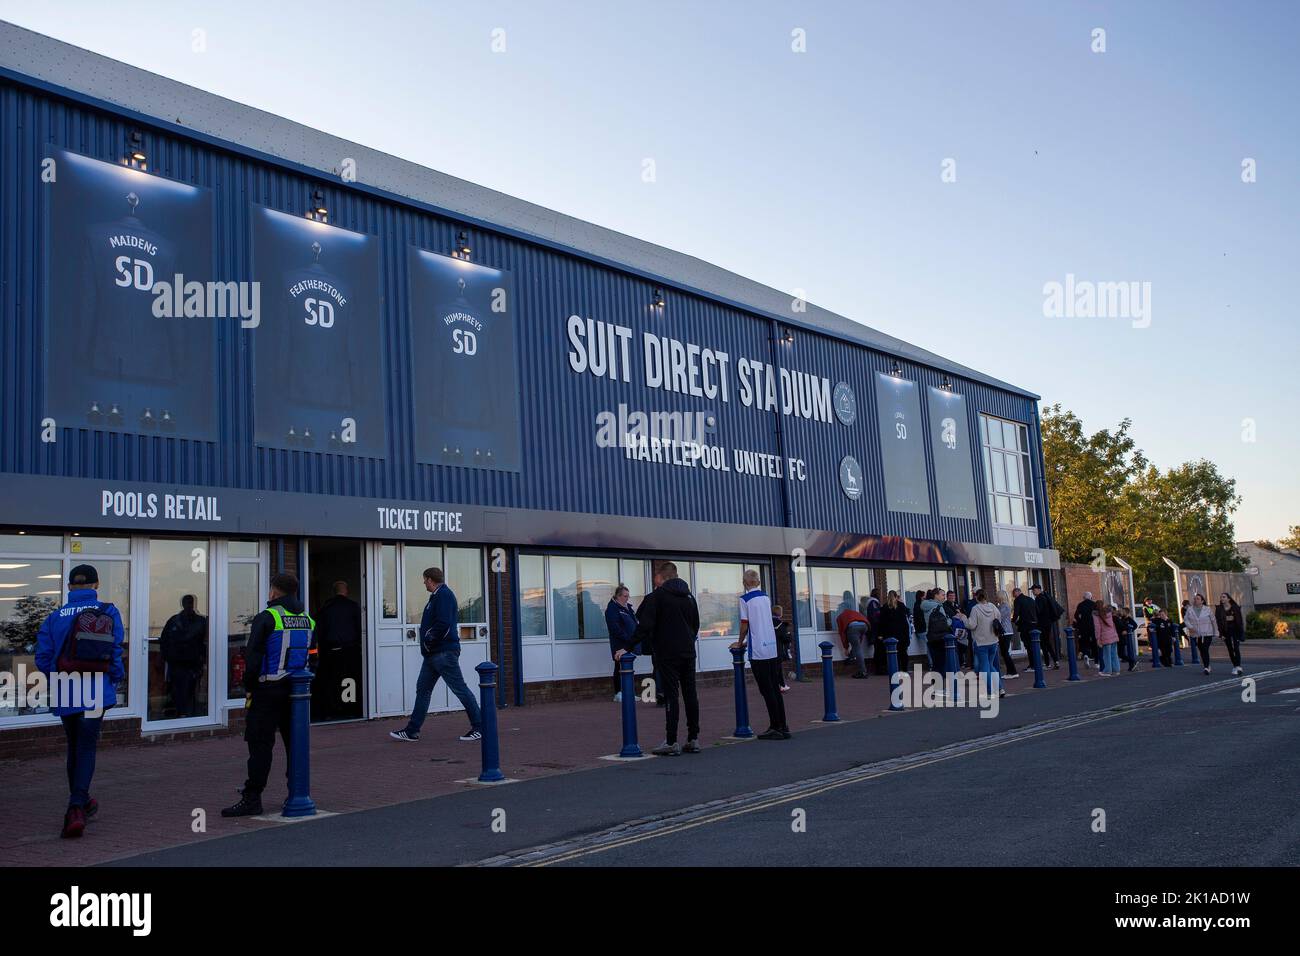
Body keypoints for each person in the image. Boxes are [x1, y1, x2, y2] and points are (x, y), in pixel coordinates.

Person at [34, 564, 125, 838]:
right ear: (96, 585)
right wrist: (114, 679)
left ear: (70, 587)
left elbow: (43, 658)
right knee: (86, 746)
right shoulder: (108, 611)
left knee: (74, 746)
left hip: (66, 689)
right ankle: (76, 807)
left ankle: (82, 802)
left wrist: (59, 676)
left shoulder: (55, 616)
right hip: (95, 690)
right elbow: (115, 651)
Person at [223, 572, 316, 817]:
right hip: (297, 693)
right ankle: (296, 792)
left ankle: (252, 798)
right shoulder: (308, 618)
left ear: (274, 591)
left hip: (267, 690)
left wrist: (249, 686)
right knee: (294, 745)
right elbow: (314, 655)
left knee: (260, 745)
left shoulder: (267, 617)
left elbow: (252, 657)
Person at [389, 567, 482, 743]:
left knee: (459, 689)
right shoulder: (436, 596)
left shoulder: (444, 595)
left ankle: (479, 727)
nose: (424, 583)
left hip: (443, 652)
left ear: (430, 580)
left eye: (424, 580)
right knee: (423, 690)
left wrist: (428, 639)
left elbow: (444, 624)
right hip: (433, 655)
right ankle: (412, 731)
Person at [621, 562, 700, 756]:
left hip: (667, 652)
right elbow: (696, 624)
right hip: (688, 651)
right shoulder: (689, 597)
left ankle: (671, 741)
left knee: (672, 695)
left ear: (662, 577)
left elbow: (644, 626)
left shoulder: (658, 597)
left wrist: (628, 647)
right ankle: (693, 738)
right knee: (690, 694)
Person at [732, 569, 789, 740]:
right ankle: (782, 725)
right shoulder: (765, 597)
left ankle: (775, 726)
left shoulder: (745, 600)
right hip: (771, 647)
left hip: (758, 651)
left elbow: (745, 624)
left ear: (745, 582)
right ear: (757, 582)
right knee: (775, 688)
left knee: (766, 689)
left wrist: (740, 641)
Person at [313, 580, 363, 720]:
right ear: (346, 591)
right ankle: (350, 710)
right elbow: (360, 628)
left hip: (330, 652)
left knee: (331, 681)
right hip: (349, 651)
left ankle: (331, 710)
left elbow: (319, 631)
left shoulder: (325, 608)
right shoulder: (353, 607)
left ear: (333, 592)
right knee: (350, 681)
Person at [159, 593, 207, 718]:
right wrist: (168, 658)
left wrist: (203, 660)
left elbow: (207, 642)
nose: (189, 605)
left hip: (194, 662)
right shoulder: (174, 621)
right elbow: (164, 641)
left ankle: (190, 715)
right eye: (187, 602)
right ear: (183, 604)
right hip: (177, 662)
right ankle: (180, 714)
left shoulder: (201, 621)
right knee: (177, 690)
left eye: (191, 602)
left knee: (191, 690)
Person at [966, 589, 1004, 699]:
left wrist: (964, 619)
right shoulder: (992, 606)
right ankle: (1000, 688)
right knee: (991, 666)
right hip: (993, 640)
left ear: (977, 597)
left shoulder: (975, 609)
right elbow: (999, 618)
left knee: (985, 667)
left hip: (981, 642)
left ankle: (989, 691)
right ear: (986, 596)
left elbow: (972, 625)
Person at [605, 584, 639, 701]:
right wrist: (627, 638)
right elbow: (614, 628)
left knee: (628, 667)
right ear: (618, 596)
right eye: (625, 596)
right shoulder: (612, 609)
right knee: (619, 666)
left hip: (629, 643)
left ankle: (629, 692)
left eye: (628, 596)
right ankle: (618, 692)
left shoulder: (628, 607)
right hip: (619, 643)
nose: (627, 598)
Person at [877, 590, 911, 676]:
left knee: (892, 653)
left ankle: (895, 670)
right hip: (901, 633)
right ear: (896, 597)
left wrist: (880, 634)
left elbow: (881, 622)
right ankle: (904, 670)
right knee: (903, 652)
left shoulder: (884, 607)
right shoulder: (901, 606)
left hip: (889, 634)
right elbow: (905, 620)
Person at [1184, 593, 1218, 675]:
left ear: (1202, 601)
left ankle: (1206, 667)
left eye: (1198, 599)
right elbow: (1186, 620)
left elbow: (1213, 621)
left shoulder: (1207, 609)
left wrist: (1216, 631)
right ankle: (1207, 665)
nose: (1195, 600)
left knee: (1205, 648)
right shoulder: (1190, 609)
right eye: (1195, 598)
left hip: (1207, 633)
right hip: (1196, 634)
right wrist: (1190, 627)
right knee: (1202, 649)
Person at [1030, 583, 1063, 669]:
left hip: (1042, 624)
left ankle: (1049, 663)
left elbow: (1039, 611)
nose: (1033, 592)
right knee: (1046, 642)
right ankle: (1054, 661)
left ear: (1038, 589)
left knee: (1044, 643)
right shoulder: (1045, 596)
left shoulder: (1039, 598)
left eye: (1033, 590)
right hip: (1048, 623)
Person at [924, 589, 954, 682]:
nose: (944, 597)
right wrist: (950, 620)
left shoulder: (925, 606)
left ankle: (935, 686)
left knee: (935, 662)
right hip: (940, 637)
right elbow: (946, 623)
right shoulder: (939, 607)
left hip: (930, 636)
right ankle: (939, 686)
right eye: (942, 595)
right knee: (941, 663)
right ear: (936, 595)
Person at [836, 600, 870, 679]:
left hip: (853, 627)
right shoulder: (855, 613)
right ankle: (854, 658)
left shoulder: (840, 617)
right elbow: (859, 637)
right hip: (865, 625)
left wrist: (846, 648)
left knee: (857, 649)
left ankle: (863, 672)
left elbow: (842, 633)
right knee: (857, 647)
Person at [1011, 586, 1041, 671]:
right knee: (1034, 645)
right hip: (1034, 625)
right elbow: (1037, 611)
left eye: (1013, 594)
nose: (1013, 596)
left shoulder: (1018, 600)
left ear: (1017, 592)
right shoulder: (1030, 599)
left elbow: (1016, 613)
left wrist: (1013, 621)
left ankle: (1032, 665)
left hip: (1025, 625)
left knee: (1028, 645)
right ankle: (1036, 663)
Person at [1215, 593, 1245, 676]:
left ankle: (1238, 666)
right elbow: (1219, 622)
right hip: (1226, 631)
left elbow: (1240, 621)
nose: (1222, 598)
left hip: (1235, 630)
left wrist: (1241, 632)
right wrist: (1221, 634)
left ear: (1228, 599)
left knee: (1236, 648)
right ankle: (1235, 666)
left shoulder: (1235, 607)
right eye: (1221, 597)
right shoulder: (1219, 609)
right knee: (1230, 649)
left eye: (1224, 597)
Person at [995, 590, 1019, 679]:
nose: (996, 598)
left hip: (1005, 632)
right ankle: (1011, 671)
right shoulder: (1001, 606)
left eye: (997, 596)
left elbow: (999, 617)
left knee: (1005, 653)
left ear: (1000, 597)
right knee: (1004, 653)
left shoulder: (1004, 606)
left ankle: (1012, 672)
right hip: (1005, 631)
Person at [1093, 602, 1120, 676]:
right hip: (1113, 635)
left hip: (1105, 637)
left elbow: (1097, 628)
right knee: (1114, 653)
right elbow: (1112, 625)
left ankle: (1107, 671)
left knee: (1106, 655)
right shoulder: (1109, 613)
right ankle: (1116, 670)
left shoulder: (1096, 615)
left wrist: (1098, 639)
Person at [1074, 591, 1099, 670]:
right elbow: (1097, 615)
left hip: (1083, 627)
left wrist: (1080, 621)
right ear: (1091, 597)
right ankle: (1096, 662)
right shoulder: (1094, 604)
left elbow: (1076, 615)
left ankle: (1086, 655)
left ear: (1083, 598)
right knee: (1094, 644)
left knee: (1085, 642)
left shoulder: (1080, 605)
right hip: (1092, 626)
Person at [772, 604, 792, 692]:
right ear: (780, 614)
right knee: (778, 669)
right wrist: (789, 636)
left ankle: (781, 685)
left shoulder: (768, 623)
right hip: (779, 649)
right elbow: (785, 638)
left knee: (775, 669)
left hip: (769, 648)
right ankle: (779, 686)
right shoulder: (780, 624)